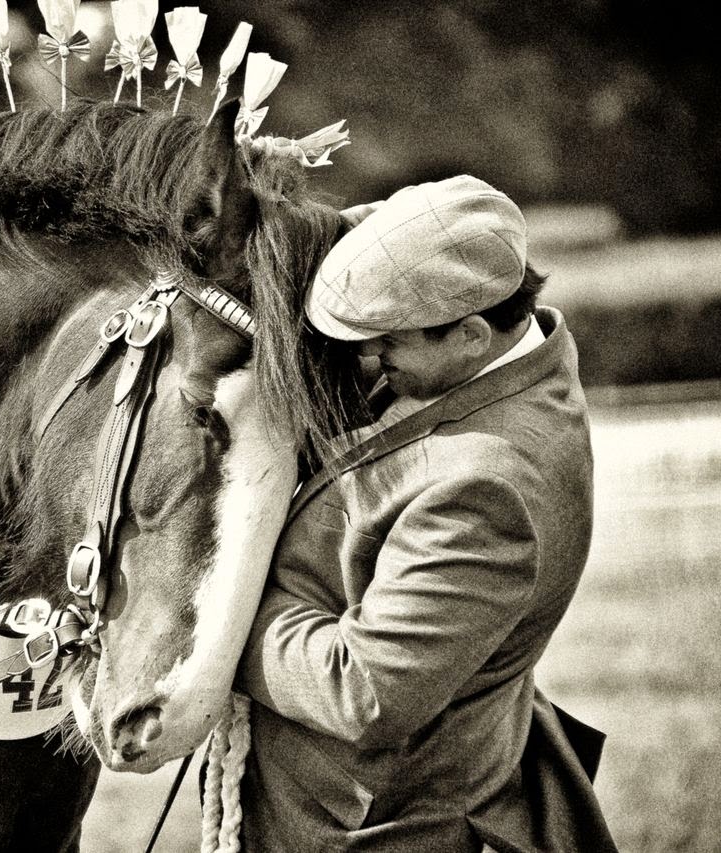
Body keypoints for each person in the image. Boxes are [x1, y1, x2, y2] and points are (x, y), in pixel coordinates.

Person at [234, 175, 617, 851]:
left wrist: (217, 609)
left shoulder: (489, 486)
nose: (365, 359)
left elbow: (364, 690)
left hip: (382, 827)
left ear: (470, 334)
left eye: (386, 342)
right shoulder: (508, 349)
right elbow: (398, 235)